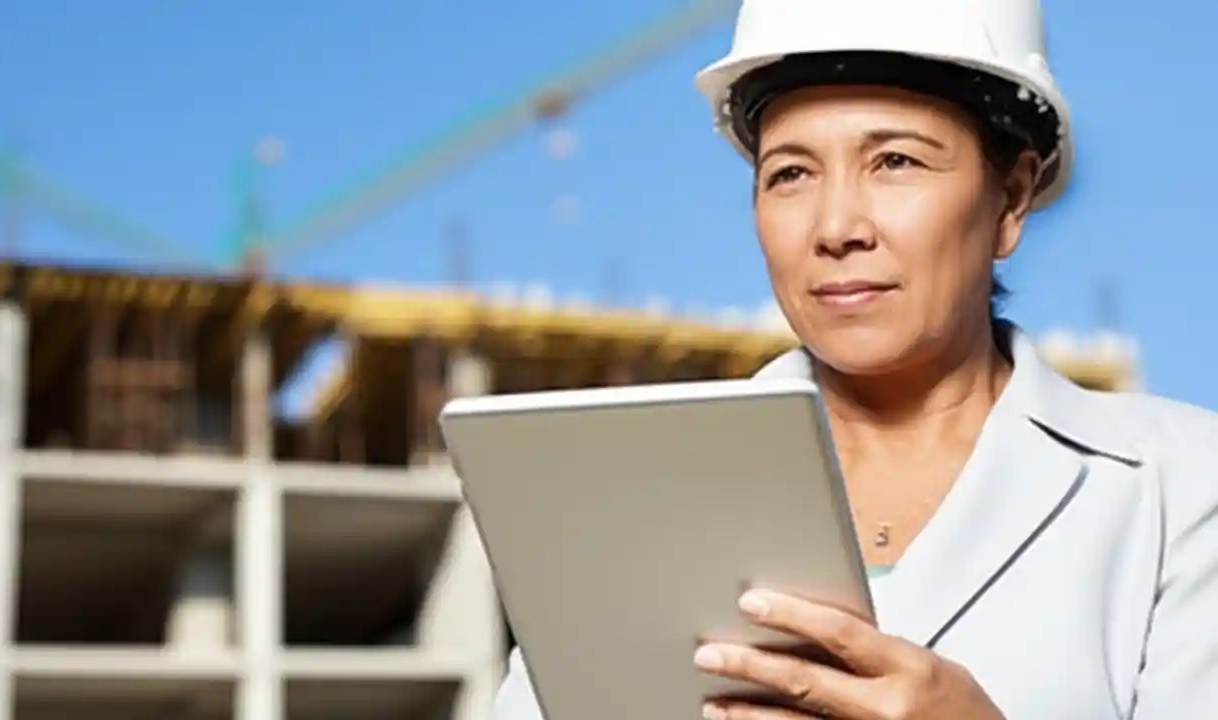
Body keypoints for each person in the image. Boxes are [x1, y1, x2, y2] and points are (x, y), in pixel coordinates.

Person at [493, 0, 1218, 718]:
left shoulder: (1181, 487)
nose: (836, 227)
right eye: (791, 174)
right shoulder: (629, 502)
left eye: (894, 161)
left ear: (1012, 199)